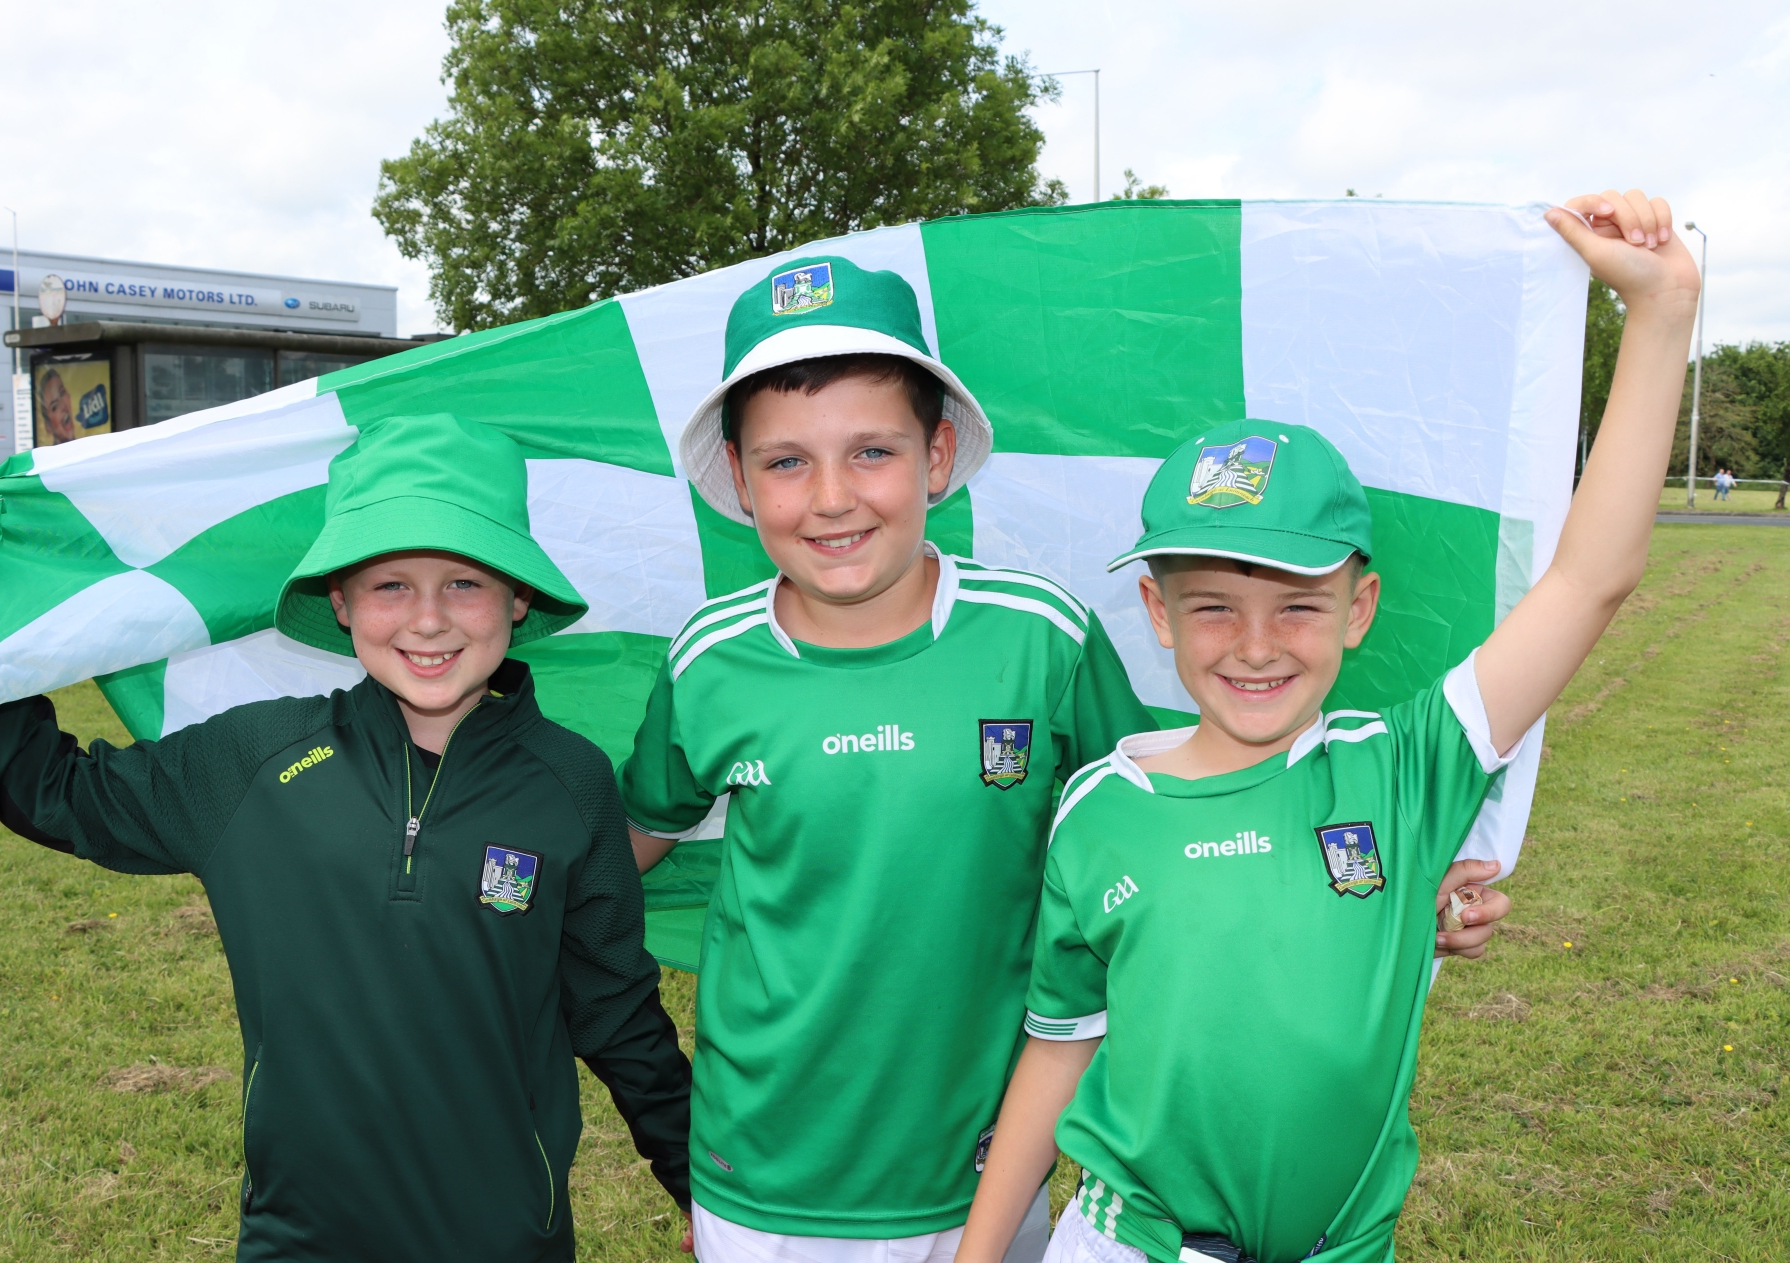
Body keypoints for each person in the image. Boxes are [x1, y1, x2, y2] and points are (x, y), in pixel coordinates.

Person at [619, 258, 1509, 1263]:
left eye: (872, 451)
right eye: (785, 462)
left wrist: (1392, 896)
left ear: (938, 454)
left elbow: (1184, 810)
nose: (831, 497)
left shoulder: (1043, 639)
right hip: (759, 1168)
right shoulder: (706, 659)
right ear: (737, 478)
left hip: (982, 1163)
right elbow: (626, 849)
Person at [955, 188, 1697, 1263]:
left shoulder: (1403, 768)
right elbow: (1059, 1050)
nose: (1256, 645)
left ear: (1359, 610)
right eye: (1213, 605)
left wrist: (1665, 306)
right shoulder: (1099, 811)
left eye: (1298, 603)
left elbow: (1590, 579)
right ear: (1157, 614)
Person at [0, 414, 693, 1262]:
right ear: (340, 601)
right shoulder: (254, 760)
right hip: (300, 1236)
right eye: (390, 585)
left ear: (519, 599)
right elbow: (50, 791)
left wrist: (698, 1184)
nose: (429, 620)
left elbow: (616, 1012)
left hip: (504, 1239)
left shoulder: (570, 784)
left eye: (465, 582)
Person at [38, 367, 76, 443]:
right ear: (48, 427)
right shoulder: (47, 455)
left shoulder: (91, 449)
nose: (63, 406)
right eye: (55, 407)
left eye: (62, 393)